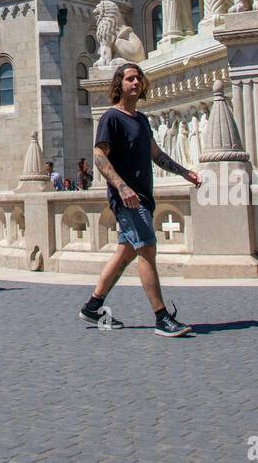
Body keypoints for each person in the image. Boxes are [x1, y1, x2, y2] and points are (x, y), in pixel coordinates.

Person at [79, 63, 200, 338]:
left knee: (127, 251)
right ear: (119, 84)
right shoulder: (111, 118)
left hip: (143, 197)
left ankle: (92, 305)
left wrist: (185, 173)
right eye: (130, 78)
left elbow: (156, 154)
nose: (136, 82)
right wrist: (121, 188)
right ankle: (161, 317)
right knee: (147, 249)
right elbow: (99, 156)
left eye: (139, 78)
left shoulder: (142, 120)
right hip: (128, 200)